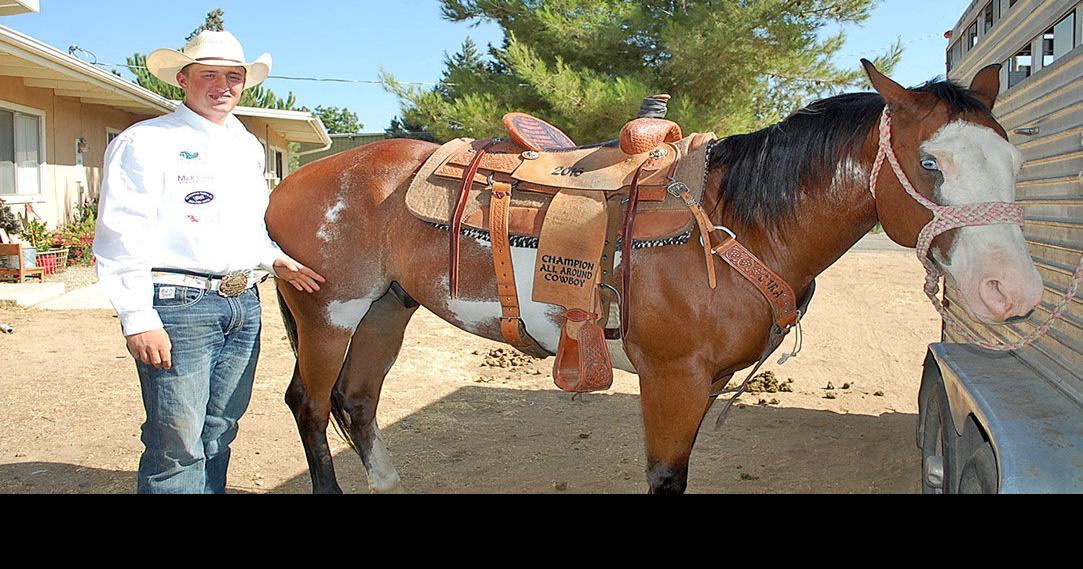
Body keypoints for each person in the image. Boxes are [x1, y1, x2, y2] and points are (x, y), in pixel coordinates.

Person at [93, 30, 325, 494]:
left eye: (234, 76)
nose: (223, 85)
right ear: (182, 79)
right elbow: (121, 234)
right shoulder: (145, 142)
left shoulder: (245, 145)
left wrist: (275, 259)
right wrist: (138, 318)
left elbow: (249, 224)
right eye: (209, 74)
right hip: (181, 306)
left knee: (219, 432)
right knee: (176, 443)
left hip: (243, 306)